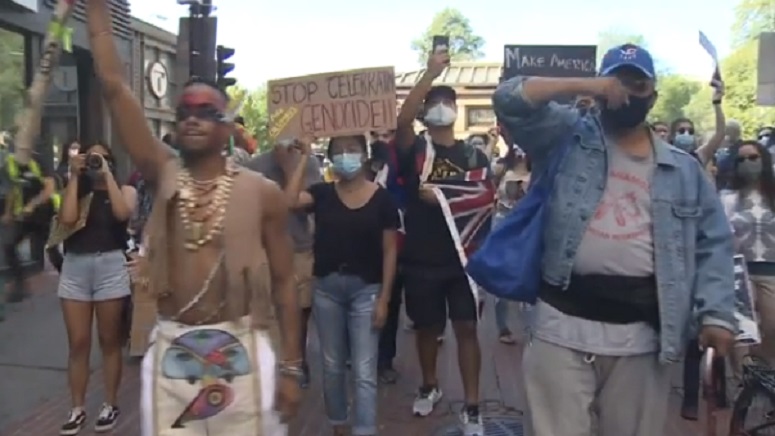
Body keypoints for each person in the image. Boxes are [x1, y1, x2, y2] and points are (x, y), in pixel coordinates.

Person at [493, 43, 736, 435]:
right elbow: (509, 100)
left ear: (653, 95)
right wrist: (586, 85)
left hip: (642, 338)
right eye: (617, 82)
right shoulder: (563, 137)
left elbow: (714, 244)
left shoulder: (684, 171)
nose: (626, 93)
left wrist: (716, 314)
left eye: (637, 85)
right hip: (560, 327)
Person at [86, 1, 301, 435]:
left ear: (227, 126)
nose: (193, 119)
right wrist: (96, 9)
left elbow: (284, 282)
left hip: (242, 344)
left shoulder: (263, 194)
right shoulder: (162, 170)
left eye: (207, 112)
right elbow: (112, 84)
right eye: (184, 112)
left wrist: (292, 368)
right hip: (172, 345)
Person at [395, 47, 493, 435]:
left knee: (467, 329)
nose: (440, 107)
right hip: (421, 257)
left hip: (464, 260)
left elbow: (485, 197)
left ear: (455, 109)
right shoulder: (417, 149)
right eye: (433, 102)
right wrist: (430, 75)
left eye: (445, 102)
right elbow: (402, 120)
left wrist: (442, 195)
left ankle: (472, 406)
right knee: (426, 329)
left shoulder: (473, 153)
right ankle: (429, 384)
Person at [285, 134, 398, 436]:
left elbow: (390, 251)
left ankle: (364, 429)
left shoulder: (382, 199)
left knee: (363, 370)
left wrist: (385, 298)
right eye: (338, 151)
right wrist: (302, 159)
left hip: (367, 290)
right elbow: (289, 201)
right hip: (327, 289)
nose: (345, 156)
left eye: (352, 149)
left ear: (364, 155)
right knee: (332, 366)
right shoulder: (321, 193)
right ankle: (338, 425)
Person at [54, 141, 135, 435]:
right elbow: (67, 219)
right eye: (92, 158)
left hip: (110, 266)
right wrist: (75, 176)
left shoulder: (122, 188)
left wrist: (107, 176)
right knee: (78, 343)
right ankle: (77, 408)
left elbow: (122, 213)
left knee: (109, 339)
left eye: (102, 158)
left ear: (112, 161)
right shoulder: (77, 189)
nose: (96, 163)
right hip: (75, 266)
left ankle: (110, 404)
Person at [246, 136, 321, 388]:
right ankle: (275, 364)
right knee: (268, 311)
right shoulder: (255, 166)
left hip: (299, 247)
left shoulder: (309, 165)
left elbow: (298, 203)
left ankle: (296, 360)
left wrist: (290, 166)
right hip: (265, 251)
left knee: (300, 310)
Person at [368, 135, 405, 384]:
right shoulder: (357, 164)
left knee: (389, 305)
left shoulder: (402, 159)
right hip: (361, 246)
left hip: (395, 245)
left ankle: (384, 360)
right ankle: (362, 356)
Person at [1, 145, 58, 301]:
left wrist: (32, 205)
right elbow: (13, 189)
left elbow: (49, 189)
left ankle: (70, 281)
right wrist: (8, 212)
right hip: (25, 215)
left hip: (45, 213)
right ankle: (20, 285)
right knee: (9, 245)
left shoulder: (39, 161)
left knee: (52, 251)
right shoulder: (12, 163)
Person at [492, 144, 530, 344]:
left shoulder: (537, 173)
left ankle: (530, 327)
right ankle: (503, 327)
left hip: (525, 228)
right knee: (502, 278)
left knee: (526, 275)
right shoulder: (502, 170)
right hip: (503, 225)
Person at [668, 82, 726, 163]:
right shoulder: (662, 158)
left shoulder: (698, 157)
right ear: (672, 136)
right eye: (682, 131)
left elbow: (720, 133)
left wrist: (717, 103)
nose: (686, 134)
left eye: (691, 131)